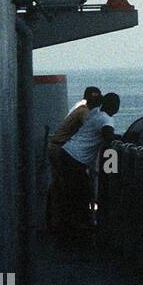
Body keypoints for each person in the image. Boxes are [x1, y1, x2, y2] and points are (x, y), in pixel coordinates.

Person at [54, 92, 120, 246]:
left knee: (73, 193)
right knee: (81, 194)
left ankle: (71, 229)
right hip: (75, 158)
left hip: (68, 152)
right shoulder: (107, 119)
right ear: (114, 107)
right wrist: (125, 139)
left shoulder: (96, 113)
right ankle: (79, 232)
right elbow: (108, 137)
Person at [45, 86, 101, 233]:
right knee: (68, 186)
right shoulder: (84, 112)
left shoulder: (80, 109)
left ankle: (57, 221)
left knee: (59, 185)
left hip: (56, 147)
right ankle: (69, 222)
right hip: (61, 149)